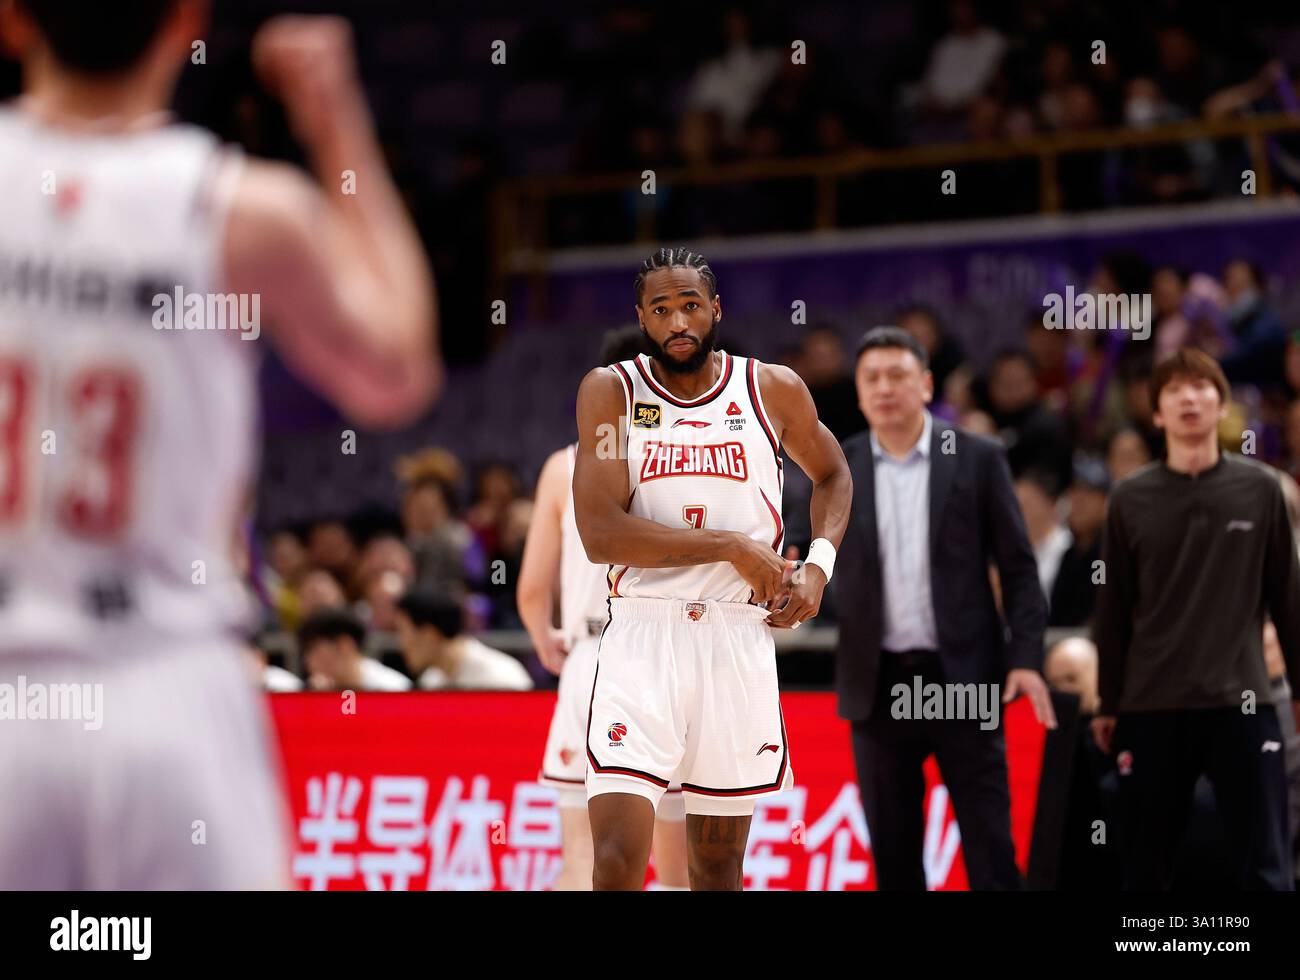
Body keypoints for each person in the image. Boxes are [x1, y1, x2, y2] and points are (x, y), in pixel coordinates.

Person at [0, 2, 439, 888]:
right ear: (183, 24)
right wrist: (332, 118)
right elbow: (396, 372)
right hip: (164, 689)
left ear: (12, 20)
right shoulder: (243, 209)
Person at [573, 247, 852, 891]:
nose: (678, 323)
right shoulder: (611, 393)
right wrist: (730, 545)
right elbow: (601, 533)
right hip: (643, 637)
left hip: (735, 637)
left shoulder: (771, 387)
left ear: (716, 309)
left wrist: (818, 565)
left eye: (691, 306)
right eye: (661, 309)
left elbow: (834, 474)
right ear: (641, 319)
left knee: (719, 866)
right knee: (616, 860)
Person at [834, 326, 1055, 891]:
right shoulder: (836, 468)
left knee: (989, 849)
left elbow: (1020, 569)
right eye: (872, 378)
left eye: (898, 375)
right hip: (877, 683)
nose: (885, 388)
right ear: (859, 392)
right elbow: (810, 557)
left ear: (927, 383)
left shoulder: (977, 457)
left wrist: (1026, 657)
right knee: (896, 858)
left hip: (964, 679)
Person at [1092, 348, 1300, 890]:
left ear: (1220, 403)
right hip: (1151, 701)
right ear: (1156, 412)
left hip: (1242, 698)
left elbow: (1288, 599)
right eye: (1174, 390)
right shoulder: (1129, 500)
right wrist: (1109, 700)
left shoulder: (1262, 490)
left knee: (1266, 866)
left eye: (1201, 387)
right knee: (1145, 867)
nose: (1189, 397)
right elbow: (1113, 610)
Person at [517, 327, 689, 891]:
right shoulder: (694, 458)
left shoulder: (562, 466)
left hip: (593, 658)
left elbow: (532, 590)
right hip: (674, 655)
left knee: (584, 862)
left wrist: (545, 637)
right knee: (680, 869)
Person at [395, 589, 532, 691]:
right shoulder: (431, 682)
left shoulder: (500, 678)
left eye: (404, 633)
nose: (402, 643)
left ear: (429, 635)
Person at [300, 606, 410, 692]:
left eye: (313, 649)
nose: (309, 662)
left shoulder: (394, 688)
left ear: (344, 645)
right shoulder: (314, 693)